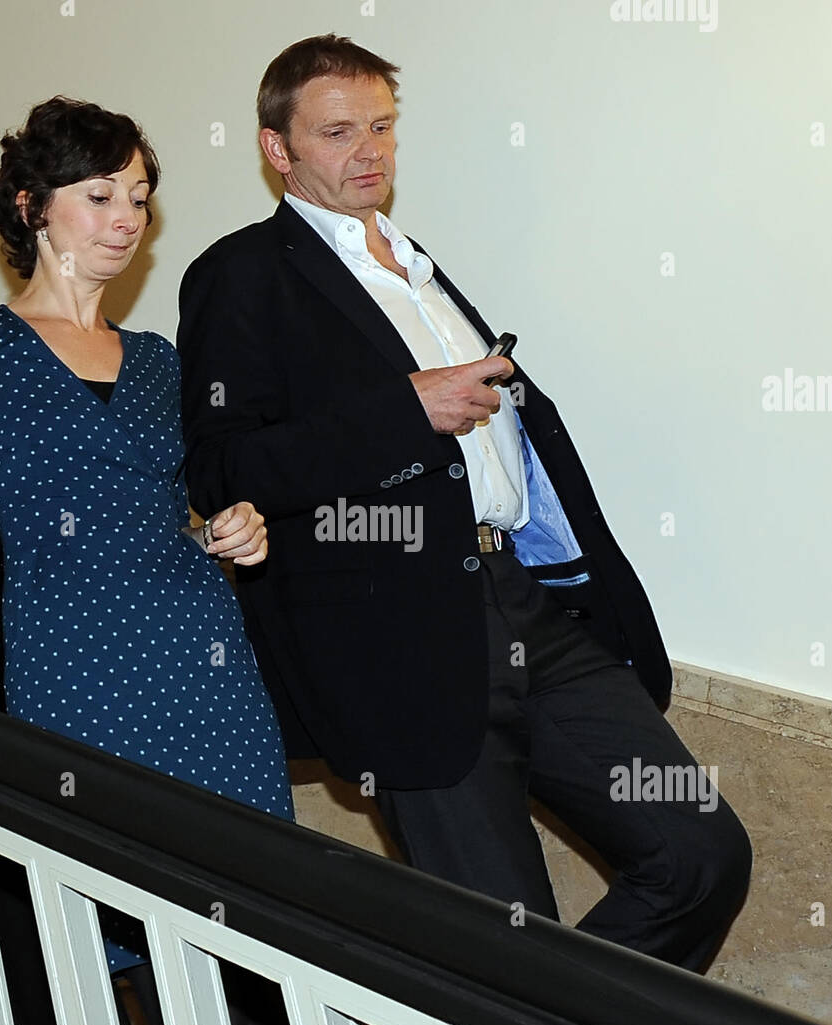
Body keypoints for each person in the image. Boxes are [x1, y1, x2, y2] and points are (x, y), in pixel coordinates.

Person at [177, 36, 752, 973]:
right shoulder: (241, 274)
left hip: (528, 607)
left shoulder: (416, 264)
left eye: (382, 126)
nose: (370, 150)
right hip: (396, 646)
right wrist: (409, 408)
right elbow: (222, 466)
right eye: (337, 132)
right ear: (276, 149)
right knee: (502, 949)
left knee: (701, 853)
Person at [0, 96, 294, 1025]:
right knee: (89, 958)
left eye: (140, 198)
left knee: (244, 965)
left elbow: (172, 518)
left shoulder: (158, 360)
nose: (126, 219)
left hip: (208, 680)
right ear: (32, 206)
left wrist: (234, 531)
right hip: (69, 679)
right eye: (100, 194)